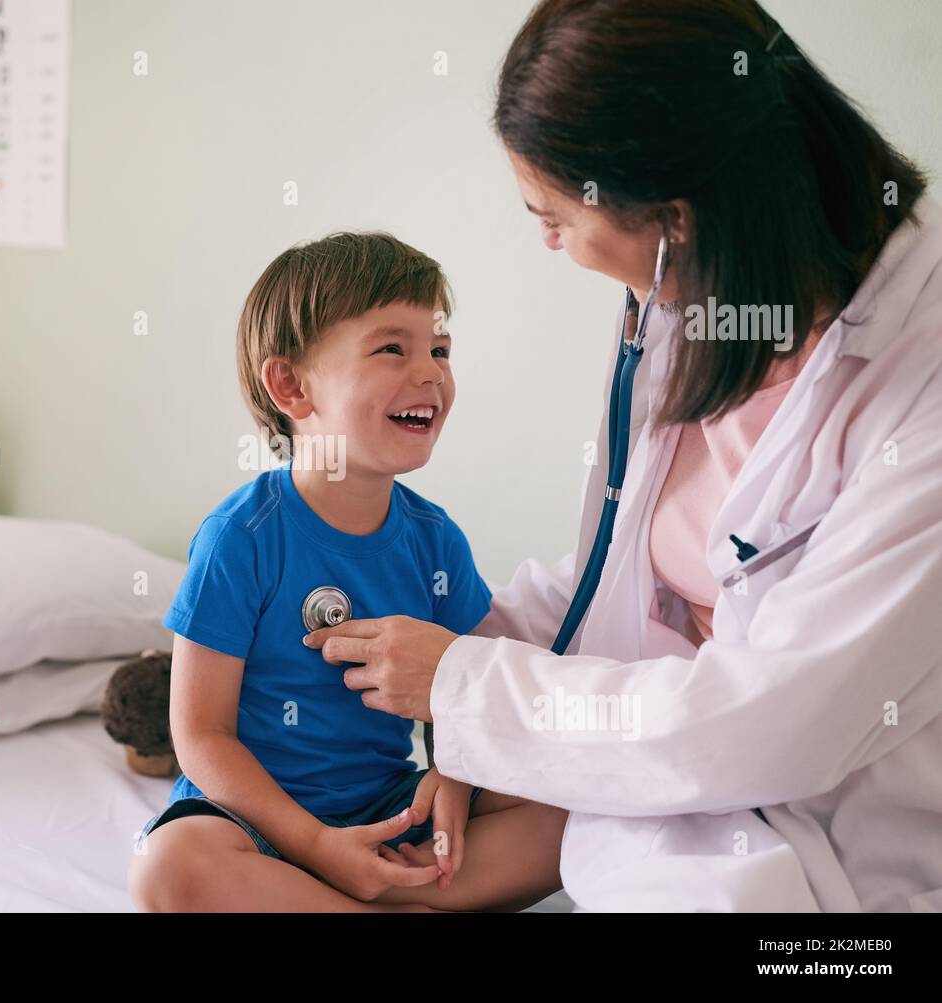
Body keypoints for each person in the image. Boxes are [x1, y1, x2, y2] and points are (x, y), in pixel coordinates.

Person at [305, 0, 942, 912]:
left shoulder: (921, 383)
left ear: (673, 220)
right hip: (668, 805)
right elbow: (620, 569)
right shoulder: (690, 301)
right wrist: (459, 641)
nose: (548, 243)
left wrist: (464, 682)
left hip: (847, 851)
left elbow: (772, 718)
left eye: (556, 217)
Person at [128, 232, 568, 912]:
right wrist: (314, 843)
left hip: (389, 811)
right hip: (259, 825)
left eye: (440, 349)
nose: (430, 373)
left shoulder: (434, 539)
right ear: (292, 385)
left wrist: (451, 775)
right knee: (170, 871)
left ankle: (380, 891)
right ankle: (378, 894)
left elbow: (469, 690)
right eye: (393, 347)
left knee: (570, 798)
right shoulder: (240, 538)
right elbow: (200, 736)